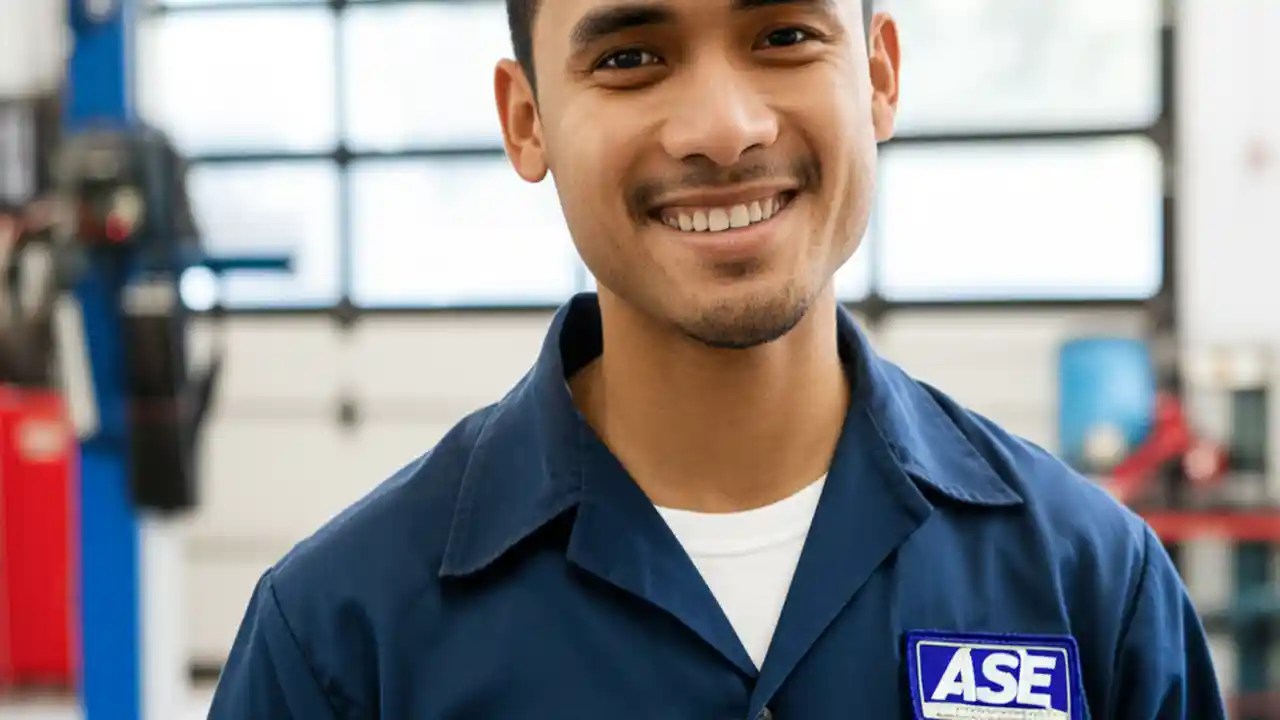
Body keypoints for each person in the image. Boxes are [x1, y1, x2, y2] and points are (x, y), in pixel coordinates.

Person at [209, 0, 1226, 717]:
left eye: (783, 36)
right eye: (630, 57)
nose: (724, 130)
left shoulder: (1089, 587)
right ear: (527, 121)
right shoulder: (343, 640)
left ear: (877, 76)